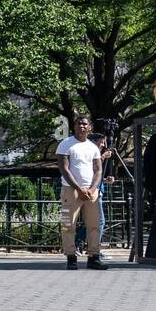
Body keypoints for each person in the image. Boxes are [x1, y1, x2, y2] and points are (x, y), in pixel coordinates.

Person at [57, 114, 105, 270]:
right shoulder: (65, 144)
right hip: (71, 190)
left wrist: (91, 189)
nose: (82, 126)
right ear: (74, 127)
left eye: (85, 124)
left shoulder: (93, 147)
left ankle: (94, 257)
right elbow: (64, 169)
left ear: (90, 127)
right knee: (68, 225)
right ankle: (71, 258)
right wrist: (79, 189)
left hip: (91, 192)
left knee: (94, 225)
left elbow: (98, 170)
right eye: (79, 124)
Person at [75, 133, 112, 254]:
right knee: (100, 221)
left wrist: (107, 179)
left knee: (92, 221)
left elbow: (96, 174)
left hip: (98, 190)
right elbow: (89, 168)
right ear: (93, 142)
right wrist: (102, 157)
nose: (103, 145)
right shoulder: (88, 152)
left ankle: (81, 244)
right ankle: (93, 248)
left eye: (103, 142)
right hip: (90, 191)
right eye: (101, 142)